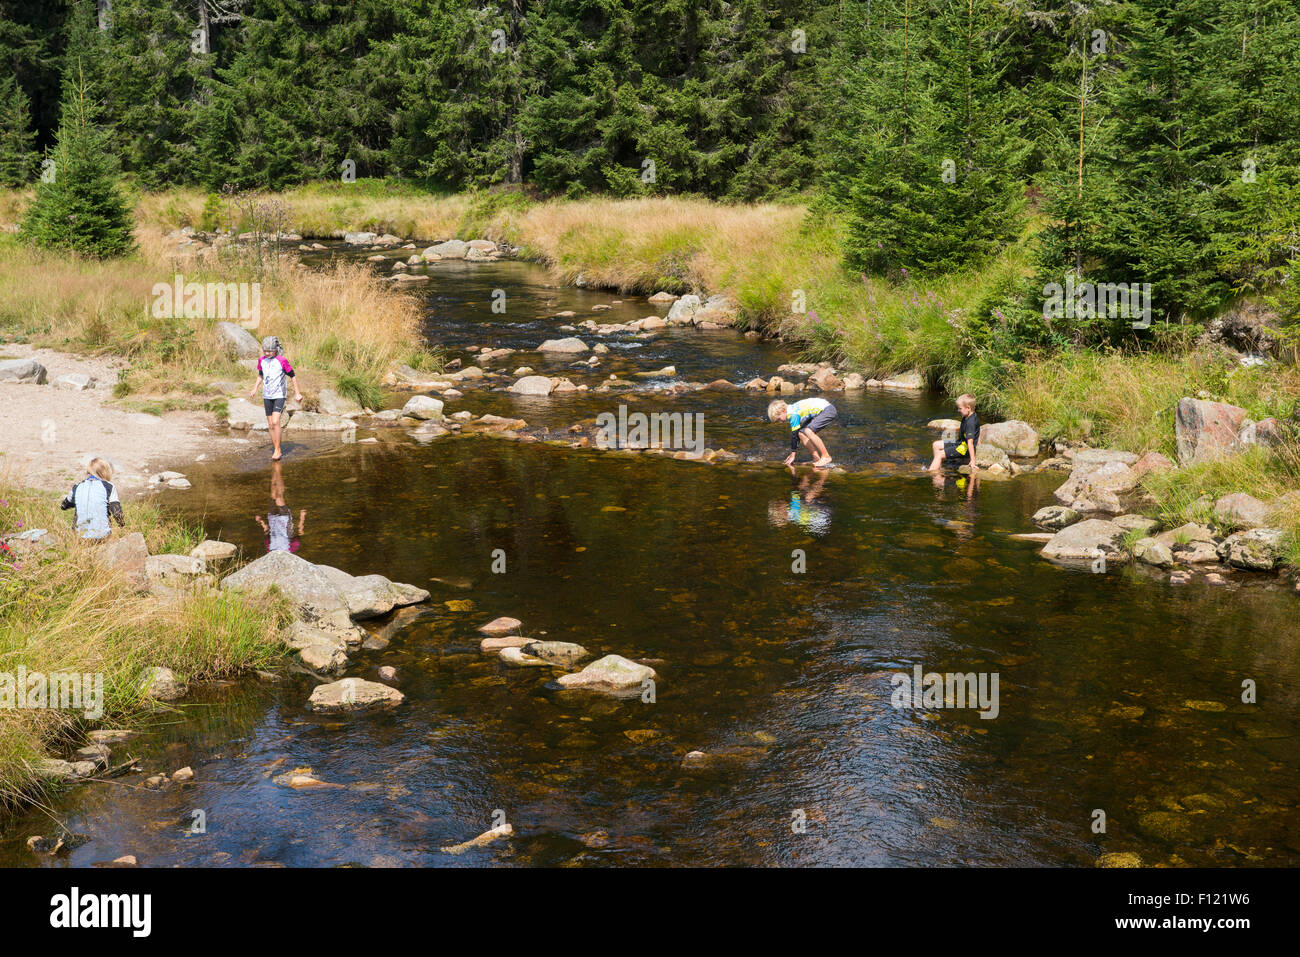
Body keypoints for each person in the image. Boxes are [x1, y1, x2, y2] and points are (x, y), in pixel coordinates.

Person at [248, 335, 303, 461]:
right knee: (270, 424)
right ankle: (275, 447)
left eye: (270, 351)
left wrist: (297, 393)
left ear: (276, 349)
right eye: (265, 351)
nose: (267, 353)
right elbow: (260, 375)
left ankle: (278, 450)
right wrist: (255, 388)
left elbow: (293, 376)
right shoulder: (261, 360)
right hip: (267, 395)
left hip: (279, 395)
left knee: (275, 421)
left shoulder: (282, 361)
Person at [60, 457, 125, 540]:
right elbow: (117, 512)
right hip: (102, 536)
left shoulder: (77, 486)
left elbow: (63, 506)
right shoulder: (109, 486)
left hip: (79, 536)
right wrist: (122, 526)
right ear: (105, 472)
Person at [254, 459, 305, 553]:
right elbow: (299, 534)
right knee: (279, 496)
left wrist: (261, 521)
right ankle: (278, 469)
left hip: (272, 519)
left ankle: (274, 467)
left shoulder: (270, 550)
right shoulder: (291, 550)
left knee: (273, 492)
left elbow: (267, 533)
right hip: (284, 520)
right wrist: (302, 517)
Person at [769, 397, 837, 468]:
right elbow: (797, 434)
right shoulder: (791, 409)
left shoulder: (793, 415)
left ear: (783, 411)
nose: (780, 421)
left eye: (779, 419)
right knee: (801, 433)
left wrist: (793, 454)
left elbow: (794, 436)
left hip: (827, 410)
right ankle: (816, 458)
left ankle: (826, 456)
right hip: (821, 411)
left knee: (808, 431)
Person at [928, 393, 980, 473]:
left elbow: (970, 443)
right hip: (960, 442)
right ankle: (938, 465)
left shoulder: (970, 423)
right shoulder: (968, 415)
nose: (958, 411)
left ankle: (932, 473)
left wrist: (972, 460)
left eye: (960, 408)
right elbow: (977, 432)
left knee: (940, 454)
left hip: (964, 448)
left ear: (968, 408)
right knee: (936, 444)